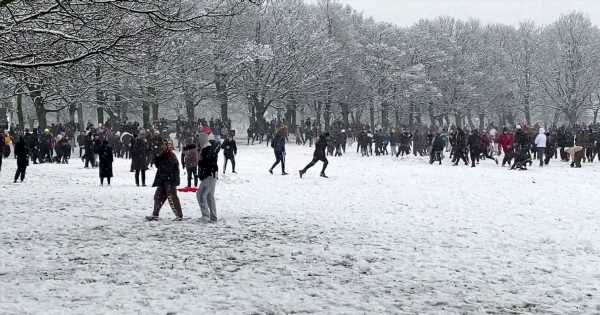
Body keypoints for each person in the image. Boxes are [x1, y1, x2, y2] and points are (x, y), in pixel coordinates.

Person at [146, 138, 183, 221]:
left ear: (166, 146)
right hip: (163, 179)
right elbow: (158, 165)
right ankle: (155, 214)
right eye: (161, 146)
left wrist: (167, 178)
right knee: (157, 196)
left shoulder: (171, 155)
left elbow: (168, 168)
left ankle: (179, 215)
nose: (161, 148)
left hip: (170, 179)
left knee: (172, 197)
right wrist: (156, 157)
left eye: (163, 146)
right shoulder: (162, 155)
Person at [196, 133, 220, 222]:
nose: (197, 141)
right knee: (209, 196)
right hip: (209, 174)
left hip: (210, 175)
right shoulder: (204, 148)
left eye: (199, 139)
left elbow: (209, 161)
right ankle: (213, 217)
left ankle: (206, 216)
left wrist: (202, 162)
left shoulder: (208, 148)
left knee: (201, 194)